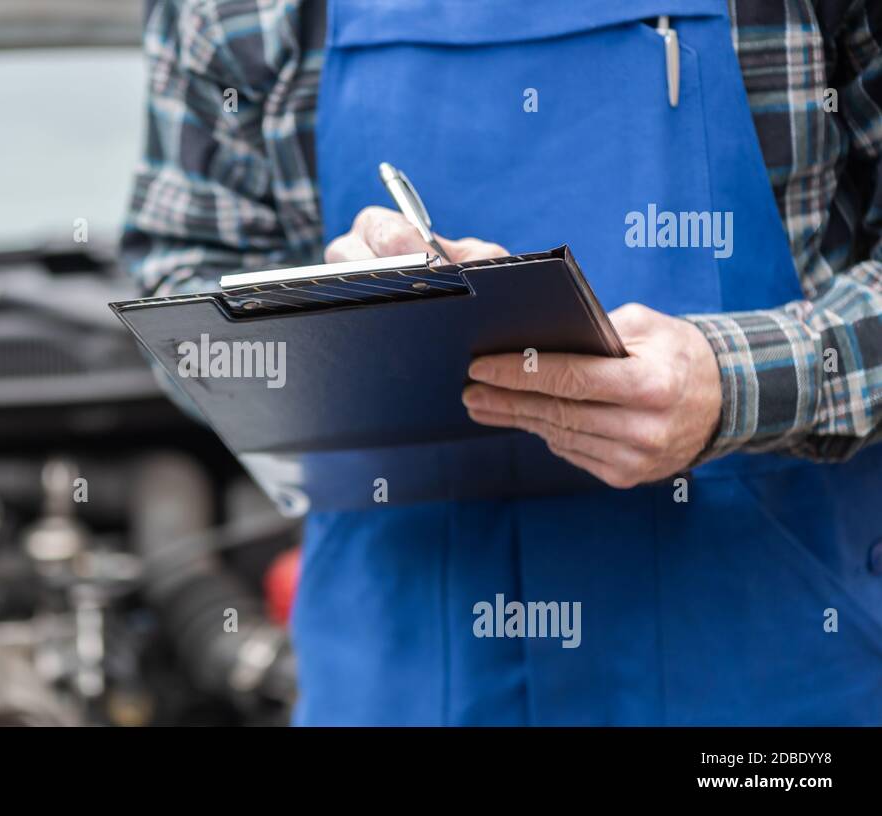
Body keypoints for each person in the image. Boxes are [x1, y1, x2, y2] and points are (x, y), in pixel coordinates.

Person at [122, 0, 882, 725]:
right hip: (402, 668)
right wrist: (337, 309)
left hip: (775, 661)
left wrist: (736, 382)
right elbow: (185, 267)